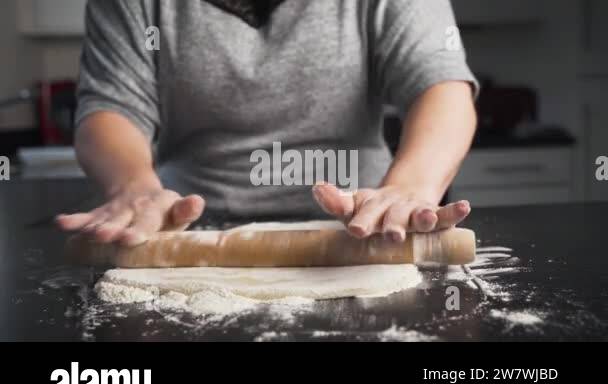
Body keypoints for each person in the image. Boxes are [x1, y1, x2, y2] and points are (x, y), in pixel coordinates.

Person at [56, 0, 478, 246]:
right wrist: (133, 187)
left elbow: (442, 88)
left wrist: (410, 188)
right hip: (187, 232)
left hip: (360, 230)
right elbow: (111, 108)